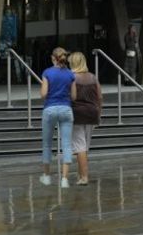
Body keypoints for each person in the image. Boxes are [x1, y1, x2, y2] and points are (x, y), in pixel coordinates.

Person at [40, 47, 76, 188]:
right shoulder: (70, 74)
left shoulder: (47, 72)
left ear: (53, 58)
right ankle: (65, 180)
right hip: (66, 109)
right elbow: (74, 96)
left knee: (47, 144)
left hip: (50, 109)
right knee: (66, 144)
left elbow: (43, 94)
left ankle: (47, 177)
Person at [68, 52, 102, 185]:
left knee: (79, 146)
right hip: (92, 113)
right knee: (84, 147)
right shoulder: (93, 77)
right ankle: (80, 174)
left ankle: (84, 177)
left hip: (77, 114)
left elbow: (71, 97)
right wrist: (99, 112)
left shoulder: (72, 78)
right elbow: (100, 97)